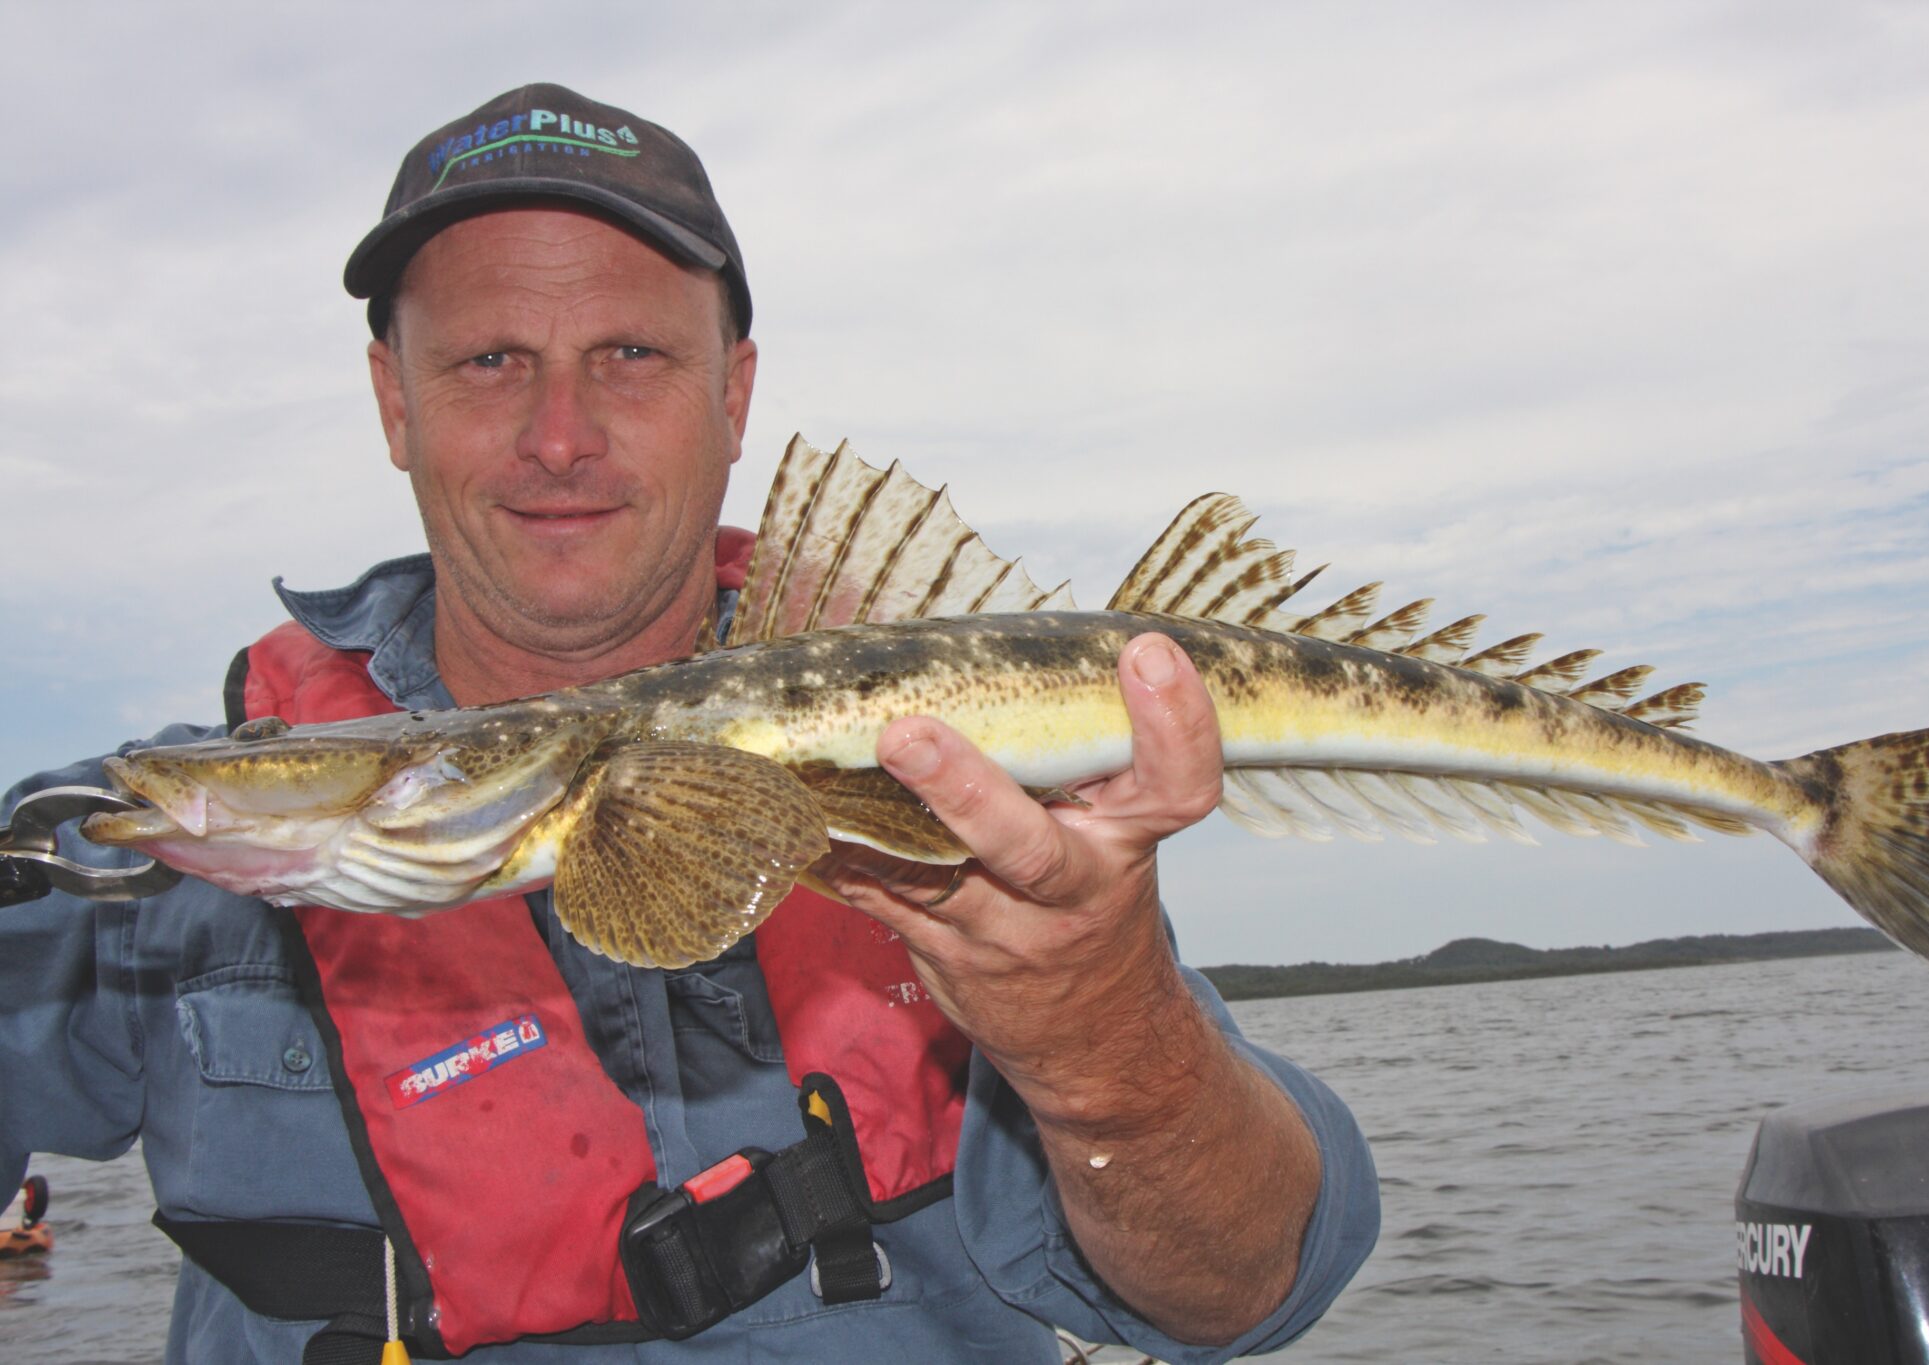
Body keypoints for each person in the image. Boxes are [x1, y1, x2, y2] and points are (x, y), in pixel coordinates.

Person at [0, 84, 1377, 1362]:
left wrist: (1104, 1048)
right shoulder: (116, 858)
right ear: (392, 401)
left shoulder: (952, 782)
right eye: (488, 358)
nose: (560, 433)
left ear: (734, 394)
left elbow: (1256, 1282)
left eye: (632, 354)